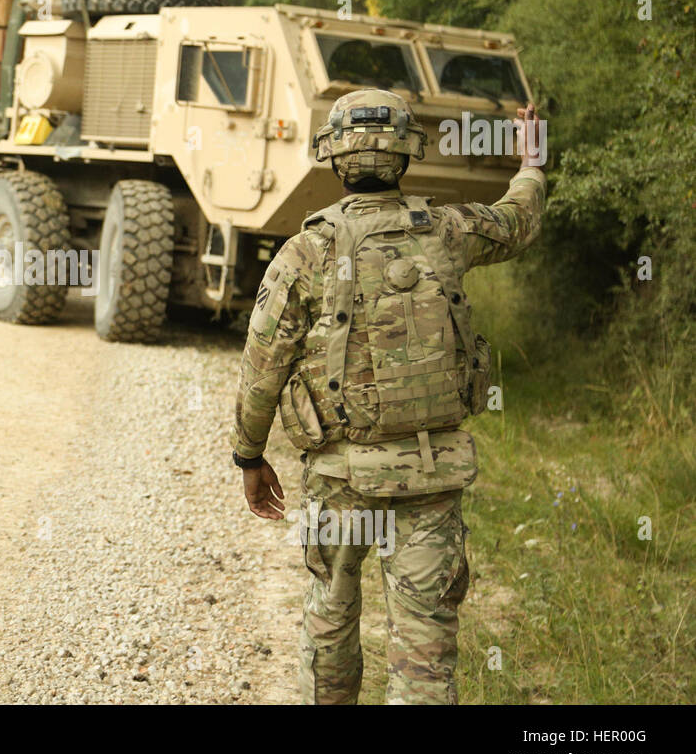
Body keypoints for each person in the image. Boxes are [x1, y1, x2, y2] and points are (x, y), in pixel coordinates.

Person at [230, 88, 546, 704]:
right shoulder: (450, 232)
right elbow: (518, 222)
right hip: (429, 475)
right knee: (426, 643)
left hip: (341, 479)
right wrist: (531, 162)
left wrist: (248, 455)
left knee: (330, 614)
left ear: (332, 157)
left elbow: (262, 365)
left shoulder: (306, 251)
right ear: (409, 155)